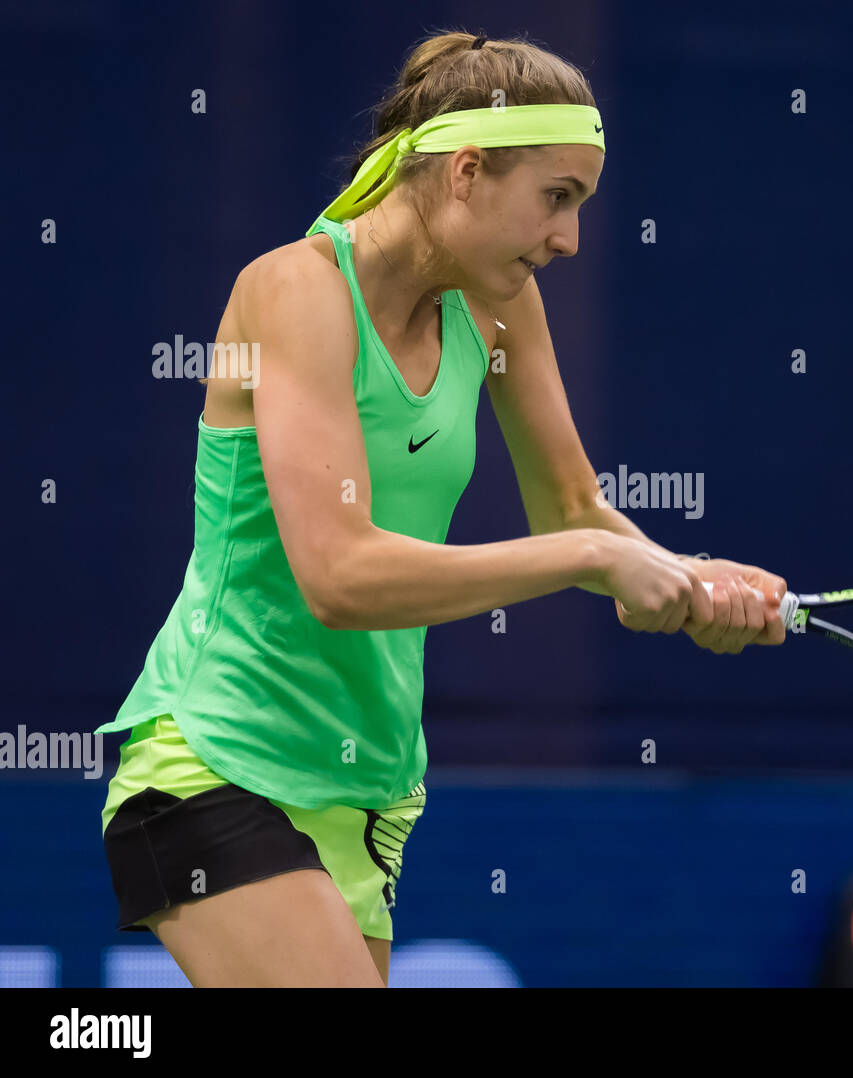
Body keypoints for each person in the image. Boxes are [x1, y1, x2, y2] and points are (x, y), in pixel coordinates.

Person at [96, 29, 787, 988]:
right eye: (557, 198)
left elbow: (572, 505)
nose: (569, 238)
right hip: (215, 766)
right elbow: (338, 575)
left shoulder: (500, 309)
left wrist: (685, 576)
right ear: (465, 172)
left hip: (366, 797)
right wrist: (593, 559)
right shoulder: (291, 291)